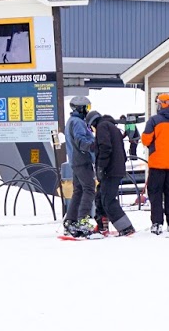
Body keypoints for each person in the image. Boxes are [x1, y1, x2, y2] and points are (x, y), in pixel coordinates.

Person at [140, 91, 169, 235]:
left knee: (155, 194)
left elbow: (146, 139)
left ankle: (157, 223)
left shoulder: (154, 121)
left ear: (162, 105)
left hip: (156, 164)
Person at [90, 110, 137, 237]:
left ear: (93, 123)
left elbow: (105, 147)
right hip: (115, 168)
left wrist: (101, 167)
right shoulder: (111, 127)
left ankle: (126, 228)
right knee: (100, 196)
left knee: (108, 200)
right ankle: (102, 225)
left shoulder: (102, 127)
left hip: (110, 170)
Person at [64, 96, 96, 234]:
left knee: (79, 190)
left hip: (75, 161)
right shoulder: (78, 122)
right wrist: (94, 146)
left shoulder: (72, 121)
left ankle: (71, 220)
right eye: (87, 108)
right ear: (80, 108)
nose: (88, 111)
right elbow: (80, 140)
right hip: (82, 161)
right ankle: (83, 219)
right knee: (89, 188)